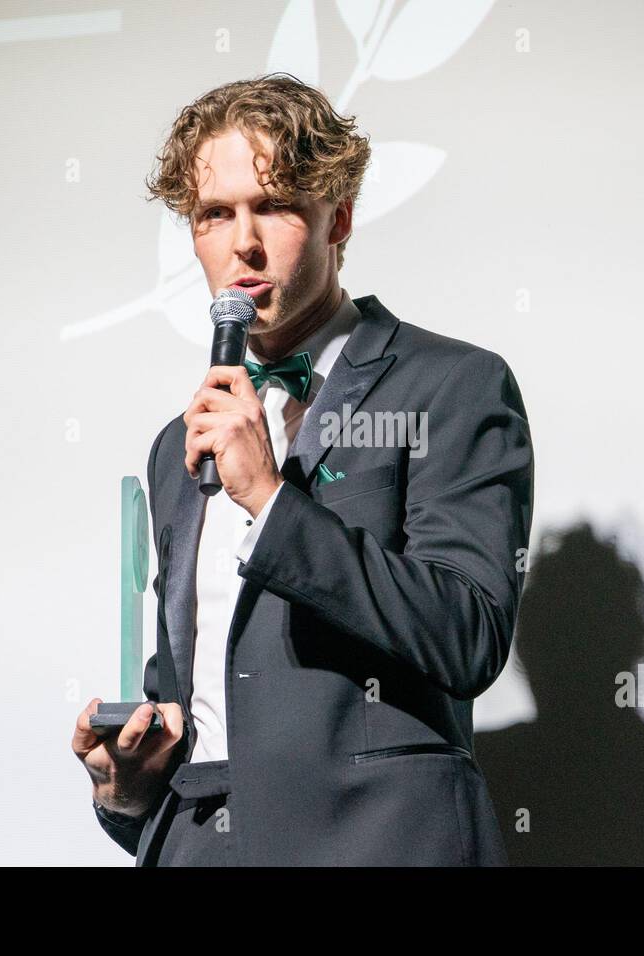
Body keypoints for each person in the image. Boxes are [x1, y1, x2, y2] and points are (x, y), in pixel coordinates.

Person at [71, 73, 534, 865]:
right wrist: (128, 784)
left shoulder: (451, 384)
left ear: (338, 220)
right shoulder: (177, 447)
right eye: (215, 214)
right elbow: (189, 693)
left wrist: (268, 496)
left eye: (273, 206)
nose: (241, 244)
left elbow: (468, 635)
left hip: (372, 844)